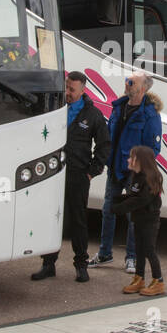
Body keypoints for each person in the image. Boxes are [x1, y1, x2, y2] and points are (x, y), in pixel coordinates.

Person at [31, 72, 110, 283]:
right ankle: (48, 264)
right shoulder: (55, 110)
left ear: (83, 90)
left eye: (72, 90)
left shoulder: (92, 114)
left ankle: (81, 266)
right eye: (66, 88)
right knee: (52, 219)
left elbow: (104, 146)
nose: (67, 93)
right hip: (53, 174)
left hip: (78, 175)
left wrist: (92, 171)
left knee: (78, 221)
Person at [92, 70, 163, 273]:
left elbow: (153, 149)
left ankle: (131, 257)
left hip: (133, 173)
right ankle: (105, 253)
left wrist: (137, 167)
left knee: (134, 217)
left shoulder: (150, 115)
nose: (127, 84)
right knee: (108, 210)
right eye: (126, 80)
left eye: (131, 82)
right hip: (114, 169)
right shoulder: (119, 107)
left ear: (142, 88)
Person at [114, 145, 165, 296]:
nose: (128, 159)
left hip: (150, 221)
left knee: (149, 249)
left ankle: (158, 280)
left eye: (132, 157)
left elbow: (140, 200)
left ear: (140, 161)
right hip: (138, 219)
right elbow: (132, 196)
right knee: (139, 250)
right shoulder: (135, 176)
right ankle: (139, 278)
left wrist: (118, 208)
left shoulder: (150, 180)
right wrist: (115, 200)